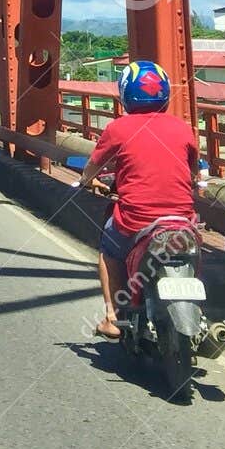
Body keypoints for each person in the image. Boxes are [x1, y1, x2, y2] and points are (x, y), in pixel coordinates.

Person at [77, 59, 198, 341]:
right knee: (190, 249)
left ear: (126, 94)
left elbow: (93, 167)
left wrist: (86, 181)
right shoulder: (183, 128)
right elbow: (192, 172)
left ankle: (113, 318)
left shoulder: (118, 128)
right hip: (183, 218)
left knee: (109, 250)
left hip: (136, 220)